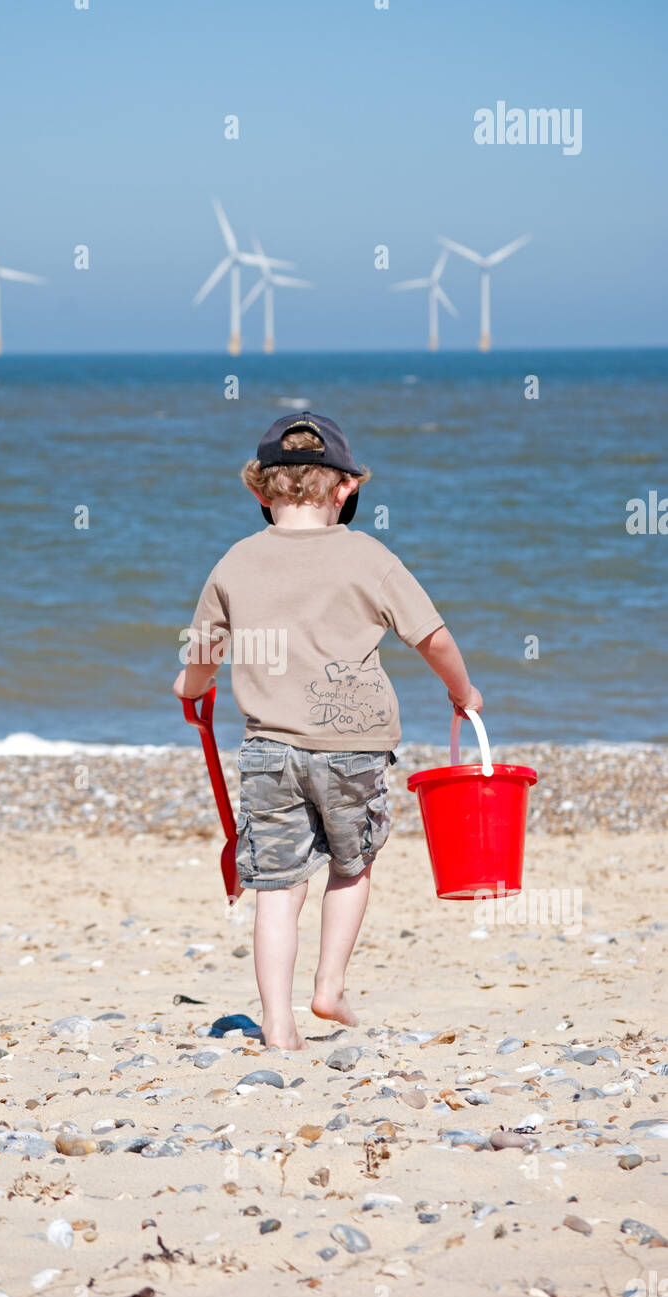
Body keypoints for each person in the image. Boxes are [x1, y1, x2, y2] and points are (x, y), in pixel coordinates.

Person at [173, 411, 482, 1050]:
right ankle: (329, 986)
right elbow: (434, 637)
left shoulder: (236, 561)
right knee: (351, 863)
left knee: (277, 888)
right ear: (346, 490)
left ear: (258, 492)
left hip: (269, 750)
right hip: (356, 749)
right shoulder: (369, 555)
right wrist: (462, 691)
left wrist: (192, 688)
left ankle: (277, 1023)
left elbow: (203, 651)